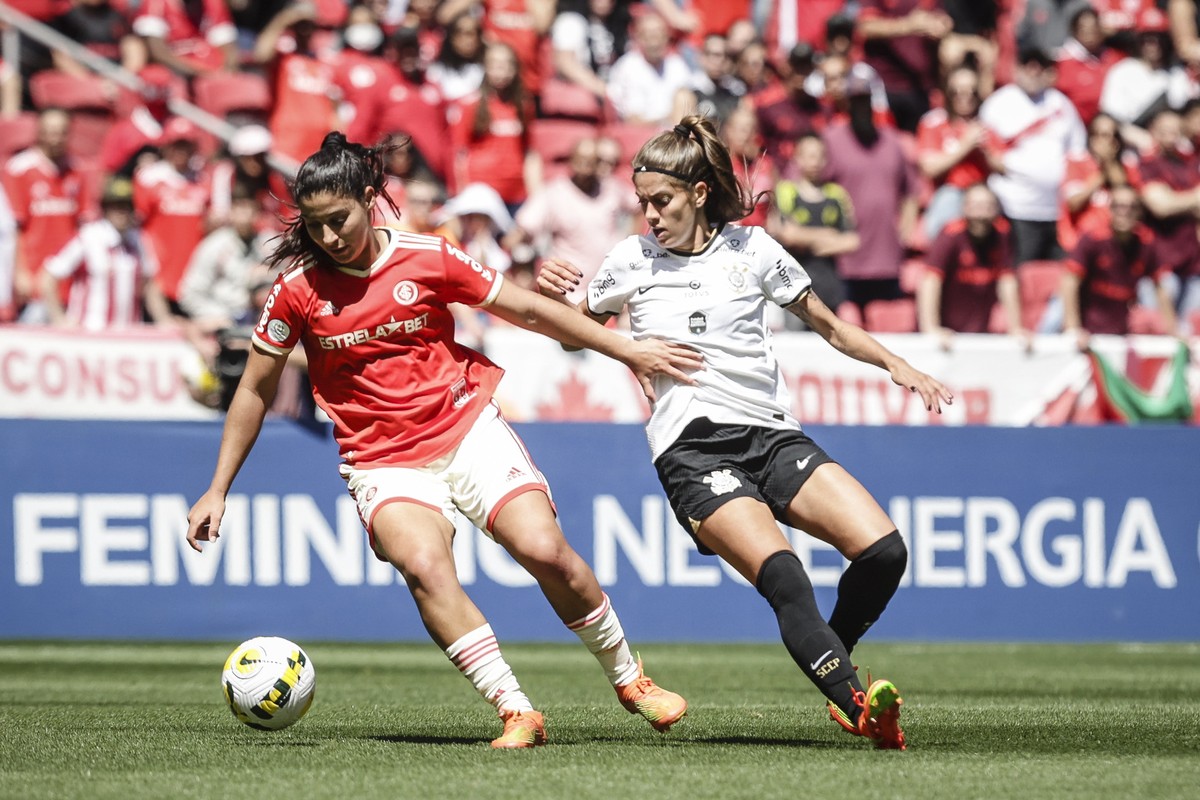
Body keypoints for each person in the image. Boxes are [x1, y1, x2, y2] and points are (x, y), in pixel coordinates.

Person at [185, 132, 701, 749]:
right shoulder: (297, 290)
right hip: (381, 459)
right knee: (426, 567)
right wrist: (218, 488)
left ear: (371, 199)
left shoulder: (430, 255)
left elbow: (529, 311)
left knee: (545, 550)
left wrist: (625, 348)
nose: (328, 238)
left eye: (339, 220)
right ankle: (517, 711)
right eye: (316, 226)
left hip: (465, 427)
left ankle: (630, 680)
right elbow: (253, 389)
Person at [537, 115, 954, 751]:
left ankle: (833, 660)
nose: (649, 214)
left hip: (773, 435)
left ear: (699, 193)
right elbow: (572, 335)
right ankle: (858, 704)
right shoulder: (629, 260)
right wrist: (577, 313)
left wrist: (898, 364)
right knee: (786, 579)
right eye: (643, 201)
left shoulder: (753, 249)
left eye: (662, 201)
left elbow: (830, 326)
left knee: (884, 553)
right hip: (693, 448)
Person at [980, 45, 1087, 266]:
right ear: (1017, 68)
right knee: (1022, 273)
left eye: (1040, 66)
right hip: (1015, 207)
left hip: (1056, 210)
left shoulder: (1061, 104)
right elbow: (987, 151)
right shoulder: (999, 103)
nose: (1033, 70)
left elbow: (1077, 151)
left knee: (1061, 275)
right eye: (1027, 64)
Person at [40, 177, 174, 331]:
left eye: (125, 206)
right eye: (114, 206)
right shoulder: (87, 237)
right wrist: (59, 319)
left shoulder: (139, 240)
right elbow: (48, 277)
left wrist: (164, 320)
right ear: (105, 209)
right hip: (90, 333)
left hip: (128, 335)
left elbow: (150, 285)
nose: (120, 212)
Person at [916, 183, 1028, 350]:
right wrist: (931, 328)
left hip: (979, 333)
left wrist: (1016, 328)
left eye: (987, 207)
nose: (981, 214)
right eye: (976, 206)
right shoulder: (950, 234)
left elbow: (1007, 281)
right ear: (964, 208)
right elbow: (931, 280)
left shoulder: (1002, 233)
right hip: (948, 334)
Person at [1061, 184, 1167, 348]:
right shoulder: (1093, 239)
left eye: (1132, 207)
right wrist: (1073, 329)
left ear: (1140, 212)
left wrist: (1172, 331)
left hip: (1119, 334)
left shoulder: (1146, 243)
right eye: (1119, 206)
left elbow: (1160, 287)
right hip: (1087, 334)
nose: (1125, 212)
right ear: (1109, 210)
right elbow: (1069, 282)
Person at [769, 132, 858, 322]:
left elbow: (852, 241)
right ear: (797, 158)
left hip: (830, 286)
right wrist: (829, 234)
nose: (815, 161)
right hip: (792, 286)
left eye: (819, 156)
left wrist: (807, 240)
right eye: (810, 155)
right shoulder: (786, 191)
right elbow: (788, 234)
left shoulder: (836, 194)